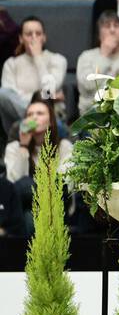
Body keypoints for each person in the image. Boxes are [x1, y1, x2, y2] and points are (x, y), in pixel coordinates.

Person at [5, 98, 72, 230]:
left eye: (40, 113)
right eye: (29, 115)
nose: (34, 117)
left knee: (28, 188)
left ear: (51, 121)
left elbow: (64, 183)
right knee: (29, 215)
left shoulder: (64, 147)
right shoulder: (14, 148)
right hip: (24, 209)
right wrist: (23, 146)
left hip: (56, 206)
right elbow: (14, 183)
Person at [0, 17, 67, 132]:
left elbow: (49, 89)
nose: (34, 37)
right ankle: (35, 121)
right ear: (21, 39)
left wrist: (37, 58)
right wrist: (47, 97)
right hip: (20, 122)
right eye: (29, 34)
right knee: (2, 93)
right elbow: (8, 98)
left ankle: (37, 122)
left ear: (44, 38)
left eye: (38, 33)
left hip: (51, 122)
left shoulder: (57, 60)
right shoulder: (11, 64)